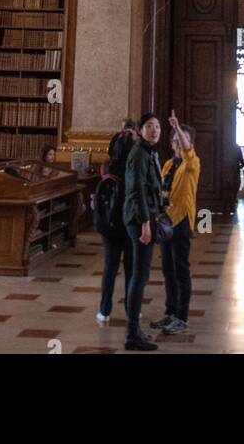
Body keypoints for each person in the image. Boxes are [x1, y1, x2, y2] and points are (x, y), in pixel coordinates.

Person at [152, 110, 200, 336]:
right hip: (166, 221)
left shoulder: (192, 163)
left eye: (180, 139)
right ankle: (170, 312)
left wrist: (177, 127)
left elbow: (188, 152)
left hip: (181, 222)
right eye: (174, 140)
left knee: (181, 270)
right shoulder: (169, 164)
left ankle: (182, 317)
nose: (177, 143)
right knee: (168, 270)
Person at [123, 112, 163, 351]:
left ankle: (135, 329)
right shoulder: (139, 154)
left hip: (143, 217)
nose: (155, 130)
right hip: (139, 220)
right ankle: (132, 333)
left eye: (157, 126)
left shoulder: (148, 152)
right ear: (140, 130)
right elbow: (137, 190)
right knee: (139, 276)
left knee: (140, 275)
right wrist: (146, 223)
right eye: (149, 126)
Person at [95, 120, 137, 325]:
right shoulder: (133, 170)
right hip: (129, 224)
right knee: (131, 268)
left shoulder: (106, 167)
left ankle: (104, 310)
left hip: (110, 225)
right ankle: (132, 309)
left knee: (110, 268)